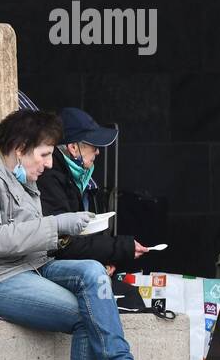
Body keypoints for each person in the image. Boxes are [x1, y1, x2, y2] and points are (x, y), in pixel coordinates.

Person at [0, 109, 167, 360]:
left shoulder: (20, 171)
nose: (48, 164)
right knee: (89, 315)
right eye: (44, 155)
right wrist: (59, 224)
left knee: (93, 271)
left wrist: (74, 235)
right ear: (20, 149)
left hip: (29, 265)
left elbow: (30, 234)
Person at [37, 106, 146, 275]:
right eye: (93, 145)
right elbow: (65, 242)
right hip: (46, 264)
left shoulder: (70, 174)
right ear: (73, 148)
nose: (98, 152)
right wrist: (119, 248)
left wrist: (104, 256)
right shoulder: (49, 177)